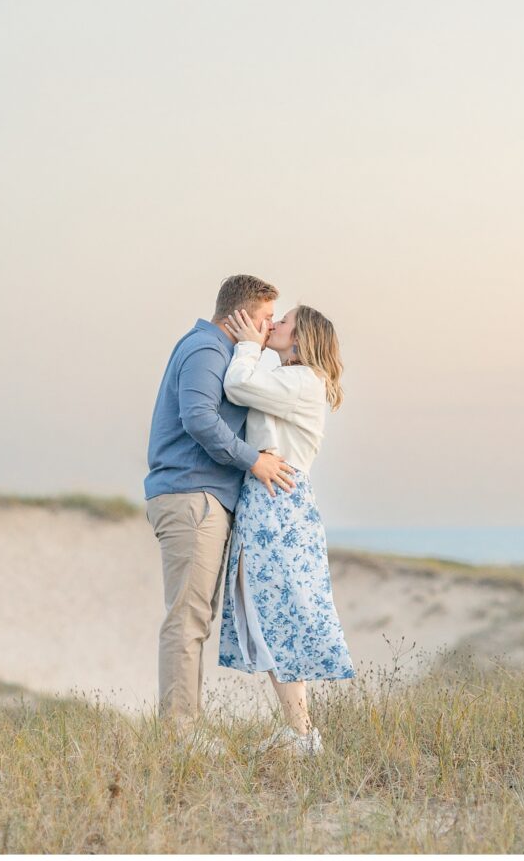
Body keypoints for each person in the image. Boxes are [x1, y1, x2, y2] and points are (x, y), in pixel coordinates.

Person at [144, 275, 297, 742]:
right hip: (194, 496)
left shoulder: (214, 350)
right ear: (243, 315)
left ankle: (184, 727)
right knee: (187, 619)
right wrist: (256, 462)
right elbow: (198, 418)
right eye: (268, 317)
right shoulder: (208, 350)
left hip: (200, 497)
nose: (271, 328)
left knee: (194, 618)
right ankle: (180, 733)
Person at [217, 303, 354, 757]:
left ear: (301, 338)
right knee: (270, 612)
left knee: (275, 612)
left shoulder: (302, 382)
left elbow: (237, 385)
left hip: (279, 503)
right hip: (272, 499)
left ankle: (302, 734)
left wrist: (248, 346)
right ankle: (299, 731)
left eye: (284, 322)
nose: (273, 325)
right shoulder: (292, 380)